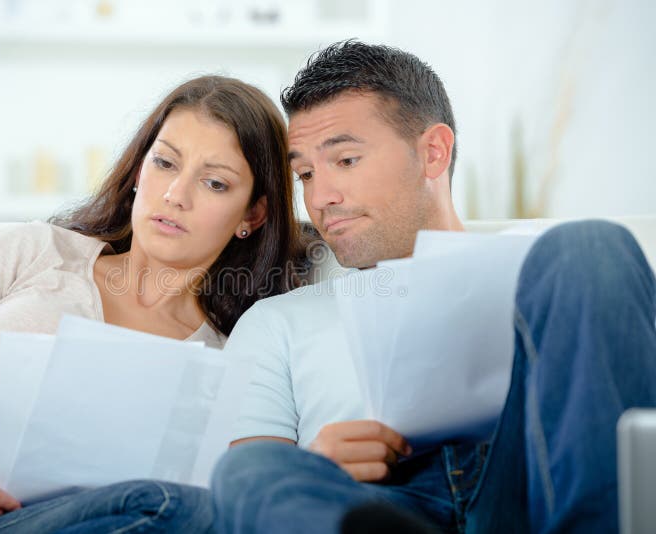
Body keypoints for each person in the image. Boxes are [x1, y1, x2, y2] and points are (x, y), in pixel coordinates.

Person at [211, 41, 656, 533]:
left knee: (592, 245)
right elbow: (245, 496)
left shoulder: (555, 279)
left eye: (347, 161)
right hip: (379, 505)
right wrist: (318, 466)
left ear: (433, 152)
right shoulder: (277, 322)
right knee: (246, 471)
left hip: (525, 490)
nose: (321, 198)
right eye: (306, 174)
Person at [0, 75, 303, 533]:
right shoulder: (40, 250)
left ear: (252, 214)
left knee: (180, 506)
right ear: (137, 174)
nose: (175, 195)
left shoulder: (223, 360)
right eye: (165, 163)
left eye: (213, 183)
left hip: (21, 523)